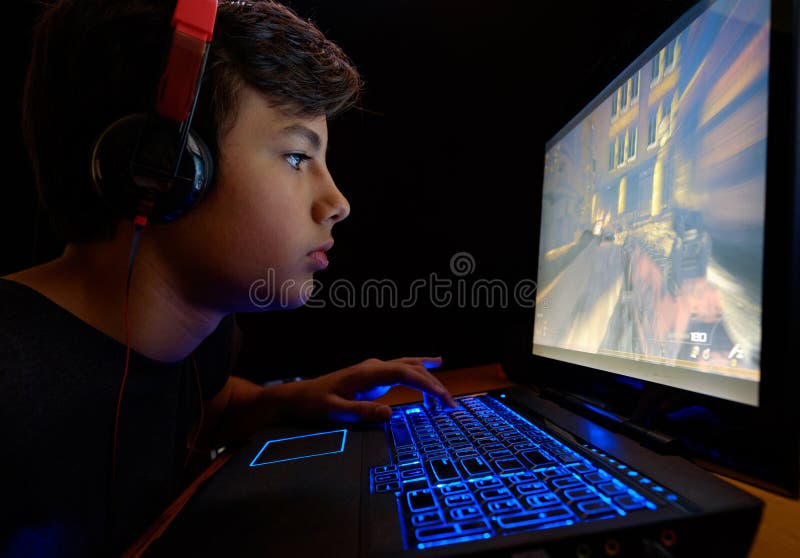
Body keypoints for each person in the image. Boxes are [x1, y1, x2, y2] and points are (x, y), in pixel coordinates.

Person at [1, 0, 456, 556]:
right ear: (161, 170)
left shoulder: (203, 337)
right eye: (296, 158)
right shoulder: (13, 381)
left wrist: (295, 398)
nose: (337, 202)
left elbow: (206, 407)